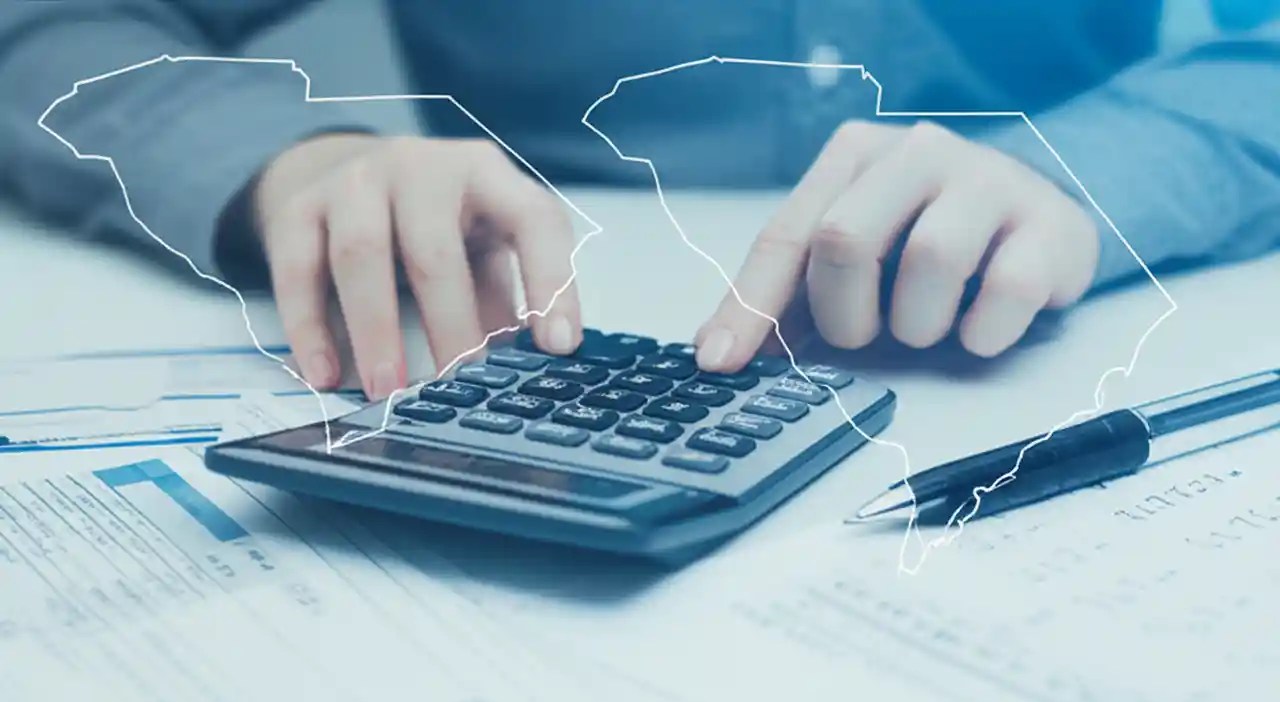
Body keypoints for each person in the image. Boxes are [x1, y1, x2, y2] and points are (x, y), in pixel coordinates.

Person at [2, 2, 1278, 401]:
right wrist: (300, 166)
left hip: (1097, 331)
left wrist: (1088, 174)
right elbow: (49, 26)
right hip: (508, 327)